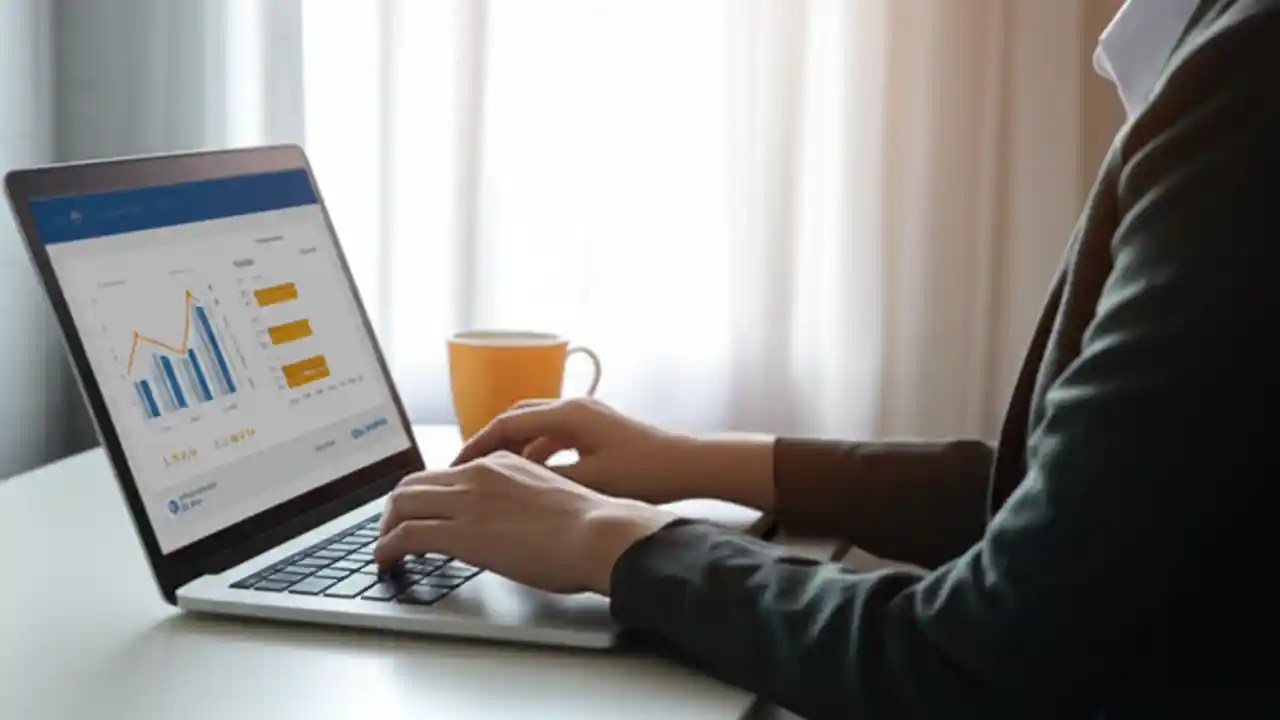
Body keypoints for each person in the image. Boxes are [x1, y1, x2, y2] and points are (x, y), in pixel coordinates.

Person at [374, 0, 1277, 716]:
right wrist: (697, 462)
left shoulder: (1250, 72)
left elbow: (979, 659)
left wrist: (605, 539)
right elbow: (1082, 509)